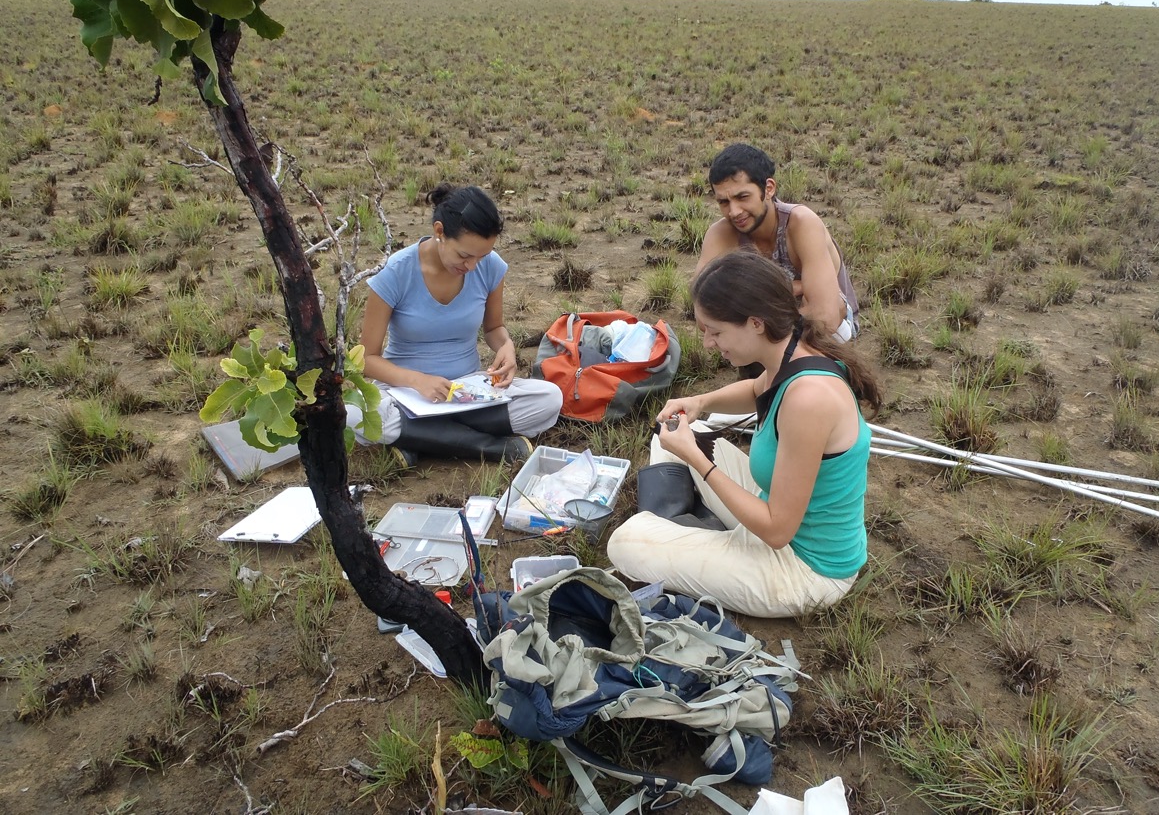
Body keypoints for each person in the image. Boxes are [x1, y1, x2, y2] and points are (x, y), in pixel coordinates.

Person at [606, 251, 882, 618]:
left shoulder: (810, 399)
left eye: (716, 331)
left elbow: (777, 530)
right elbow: (757, 390)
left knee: (625, 542)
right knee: (679, 430)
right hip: (774, 511)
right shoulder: (792, 348)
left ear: (755, 323)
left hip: (801, 569)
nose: (707, 343)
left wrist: (696, 458)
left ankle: (685, 538)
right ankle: (694, 539)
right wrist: (700, 401)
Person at [350, 184, 562, 464]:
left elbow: (493, 329)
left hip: (465, 392)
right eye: (464, 255)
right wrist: (418, 381)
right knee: (354, 412)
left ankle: (420, 439)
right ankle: (489, 447)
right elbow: (366, 359)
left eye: (481, 257)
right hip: (404, 393)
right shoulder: (396, 272)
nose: (473, 266)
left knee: (549, 398)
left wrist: (507, 347)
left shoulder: (491, 267)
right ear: (440, 232)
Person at [696, 143, 859, 342]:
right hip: (762, 326)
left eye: (743, 197)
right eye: (724, 202)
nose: (734, 211)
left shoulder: (801, 223)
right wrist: (794, 287)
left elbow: (828, 316)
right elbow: (704, 315)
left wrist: (751, 312)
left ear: (769, 188)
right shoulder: (720, 234)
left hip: (825, 330)